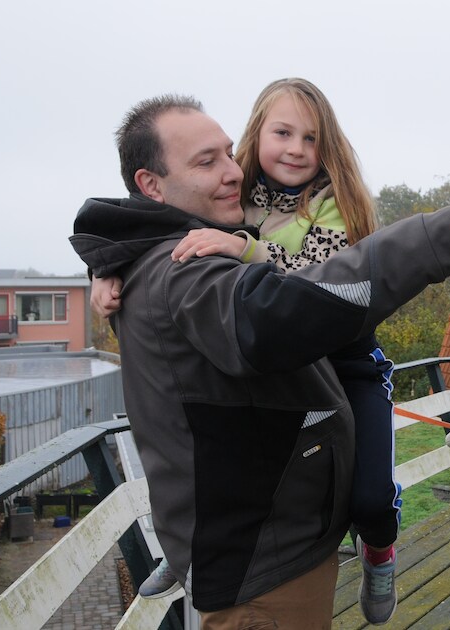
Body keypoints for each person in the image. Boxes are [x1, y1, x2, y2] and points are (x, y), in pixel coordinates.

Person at [70, 94, 450, 629]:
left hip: (265, 541)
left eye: (229, 155)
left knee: (372, 495)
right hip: (262, 568)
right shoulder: (183, 266)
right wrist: (441, 239)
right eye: (207, 162)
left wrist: (108, 258)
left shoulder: (203, 239)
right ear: (151, 185)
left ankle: (368, 547)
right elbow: (275, 314)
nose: (231, 172)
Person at [95, 78, 402, 624]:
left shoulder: (330, 205)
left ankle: (380, 553)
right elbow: (154, 226)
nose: (296, 150)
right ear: (256, 134)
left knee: (370, 494)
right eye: (282, 132)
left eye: (312, 139)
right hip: (288, 366)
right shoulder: (236, 193)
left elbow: (316, 288)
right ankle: (190, 551)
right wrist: (106, 268)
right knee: (216, 458)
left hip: (346, 361)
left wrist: (246, 248)